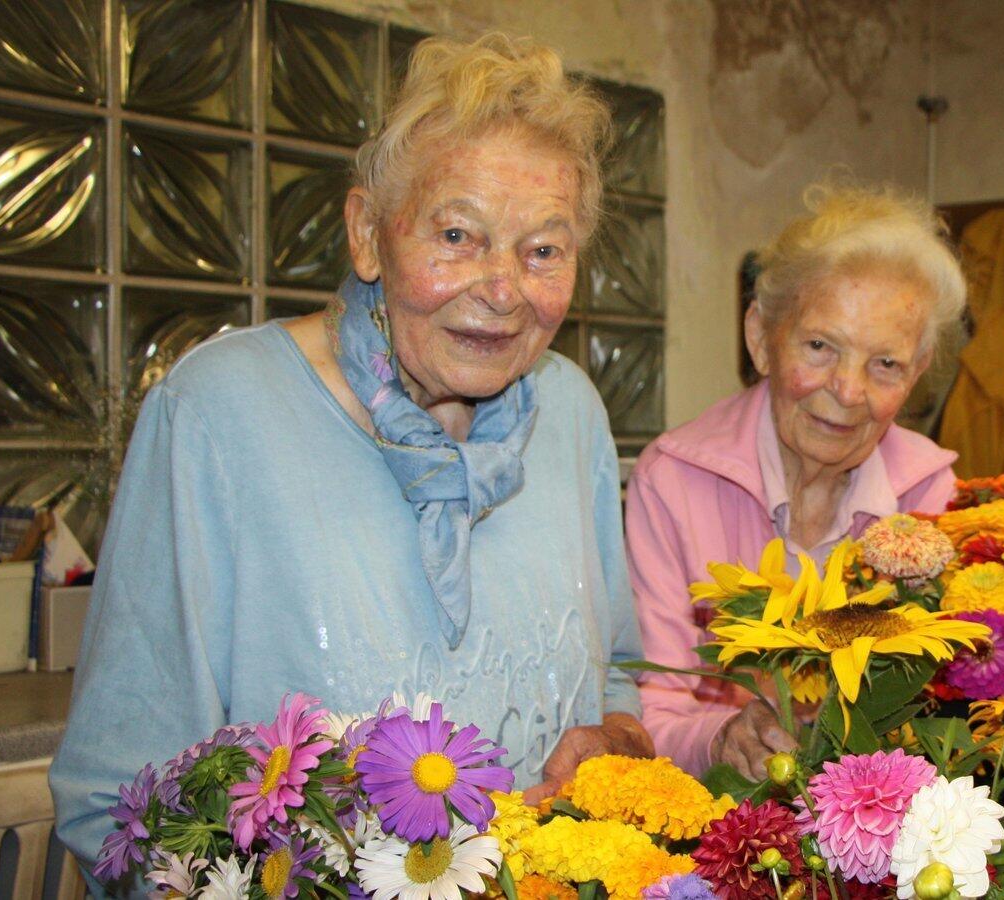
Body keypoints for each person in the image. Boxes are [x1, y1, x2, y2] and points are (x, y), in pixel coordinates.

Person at [49, 32, 652, 869]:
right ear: (368, 232)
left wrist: (617, 744)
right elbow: (115, 802)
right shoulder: (220, 413)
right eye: (457, 235)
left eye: (543, 250)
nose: (504, 289)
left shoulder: (574, 414)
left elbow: (618, 671)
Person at [626, 184, 967, 777]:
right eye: (819, 346)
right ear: (761, 338)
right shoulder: (674, 482)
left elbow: (949, 704)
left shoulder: (932, 494)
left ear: (915, 375)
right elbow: (648, 705)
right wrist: (721, 737)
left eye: (885, 364)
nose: (848, 390)